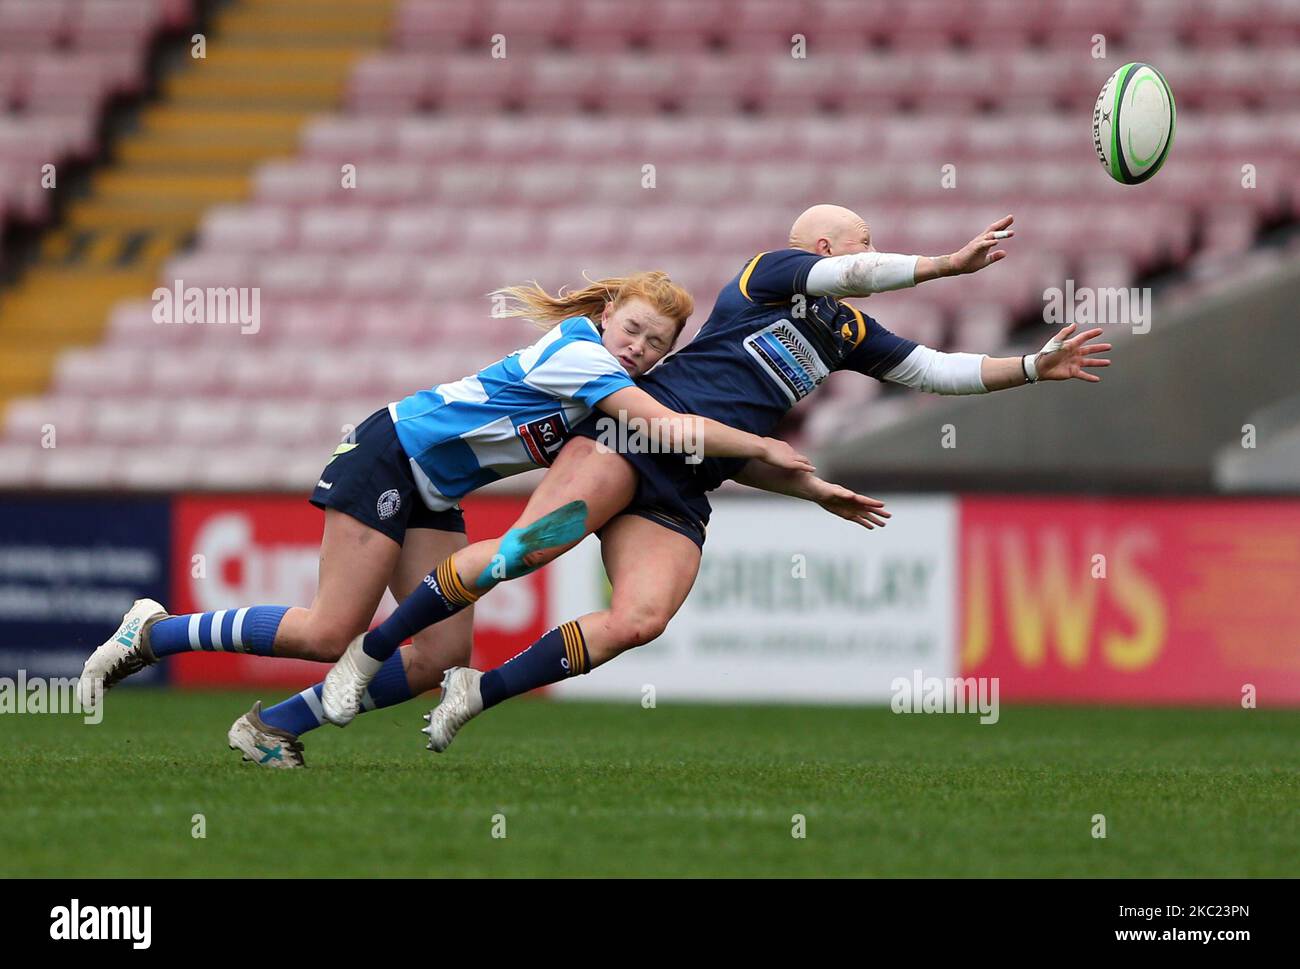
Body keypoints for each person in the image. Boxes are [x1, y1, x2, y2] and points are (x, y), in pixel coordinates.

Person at [317, 205, 1112, 754]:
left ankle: (477, 694)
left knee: (641, 618)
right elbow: (858, 276)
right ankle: (366, 654)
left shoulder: (849, 332)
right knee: (525, 551)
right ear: (825, 252)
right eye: (855, 244)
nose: (862, 254)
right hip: (632, 439)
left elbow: (936, 369)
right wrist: (943, 264)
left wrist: (1034, 365)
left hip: (689, 483)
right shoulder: (771, 272)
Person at [74, 270, 817, 767]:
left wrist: (801, 483)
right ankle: (155, 632)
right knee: (328, 630)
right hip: (391, 453)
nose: (640, 349)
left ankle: (274, 727)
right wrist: (758, 441)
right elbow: (669, 427)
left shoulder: (608, 380)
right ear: (603, 316)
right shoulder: (581, 353)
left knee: (437, 658)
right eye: (633, 329)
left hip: (434, 489)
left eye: (658, 344)